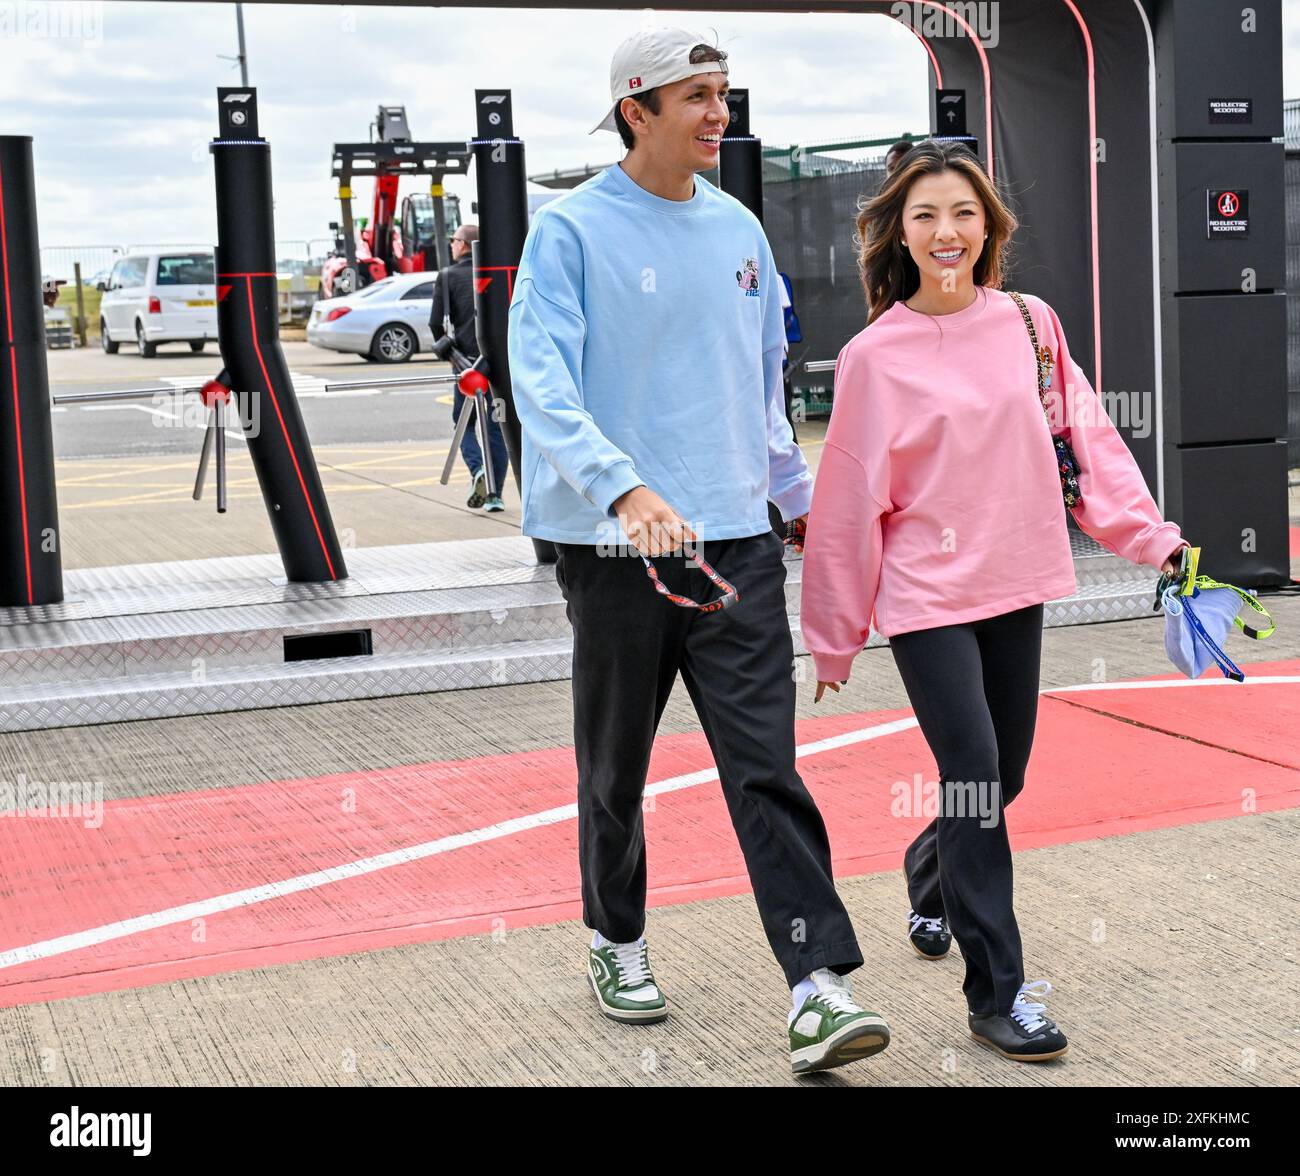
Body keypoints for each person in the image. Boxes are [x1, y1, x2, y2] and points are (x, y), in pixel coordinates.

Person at [507, 25, 890, 1076]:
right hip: (616, 548)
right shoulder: (572, 232)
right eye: (697, 97)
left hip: (735, 543)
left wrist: (795, 498)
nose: (719, 113)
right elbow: (538, 381)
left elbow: (761, 386)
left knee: (765, 767)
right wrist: (623, 490)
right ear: (637, 109)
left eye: (723, 94)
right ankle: (615, 940)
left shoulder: (739, 232)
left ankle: (817, 985)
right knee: (613, 770)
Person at [799, 139, 1190, 1064]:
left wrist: (1159, 542)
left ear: (988, 228)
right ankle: (998, 995)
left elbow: (1086, 442)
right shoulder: (871, 358)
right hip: (927, 598)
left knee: (1000, 780)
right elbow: (850, 502)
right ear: (899, 229)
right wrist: (835, 633)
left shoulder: (1028, 323)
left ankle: (927, 873)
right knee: (975, 773)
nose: (948, 232)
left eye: (965, 214)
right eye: (927, 214)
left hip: (1017, 579)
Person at [429, 223, 509, 512]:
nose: (451, 245)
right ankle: (495, 495)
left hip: (465, 367)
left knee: (463, 424)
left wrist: (447, 349)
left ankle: (477, 470)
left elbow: (435, 323)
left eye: (453, 240)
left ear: (463, 244)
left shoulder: (448, 276)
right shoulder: (496, 273)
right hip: (497, 364)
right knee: (497, 428)